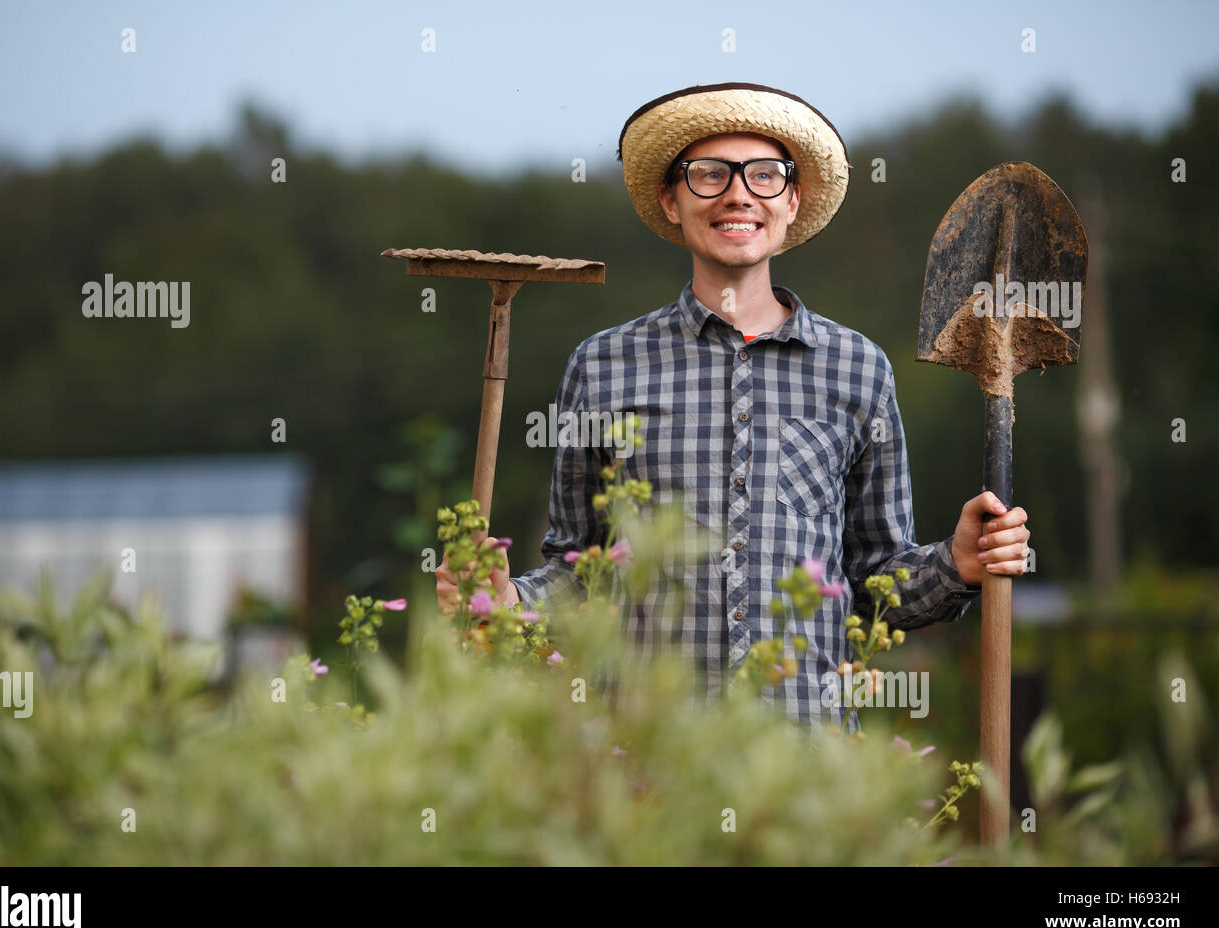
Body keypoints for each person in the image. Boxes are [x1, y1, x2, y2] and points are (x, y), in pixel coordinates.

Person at [436, 82, 1031, 728]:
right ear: (671, 199)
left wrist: (958, 564)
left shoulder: (859, 371)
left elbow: (873, 583)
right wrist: (507, 600)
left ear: (792, 200)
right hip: (650, 763)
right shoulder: (603, 366)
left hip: (804, 770)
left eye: (766, 175)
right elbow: (585, 572)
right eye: (709, 174)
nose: (739, 193)